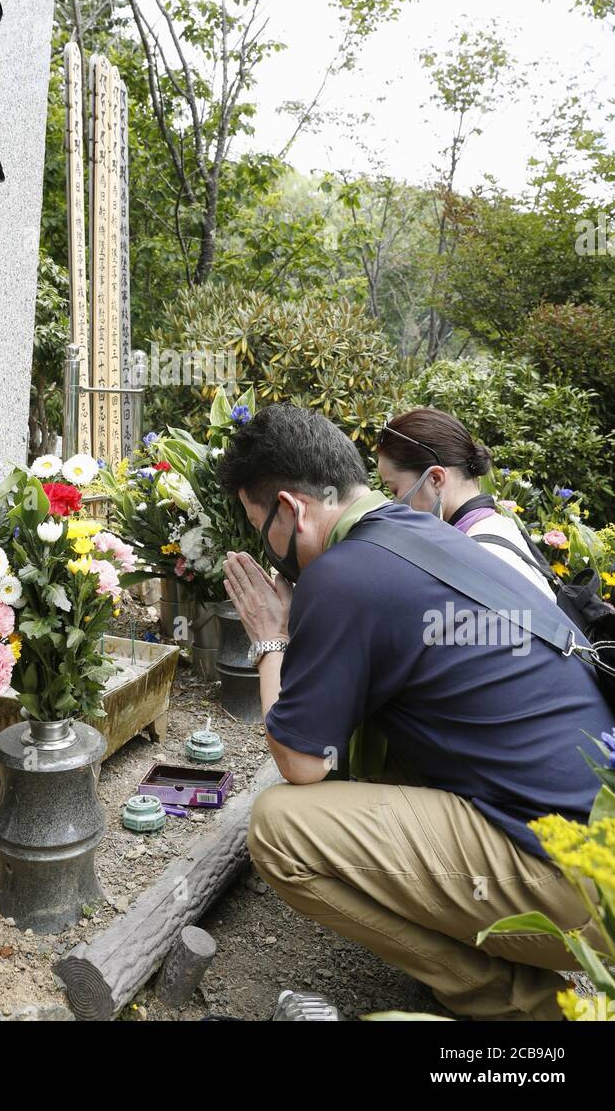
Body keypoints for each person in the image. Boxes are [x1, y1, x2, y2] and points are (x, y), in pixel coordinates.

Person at [218, 402, 610, 1021]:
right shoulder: (422, 535)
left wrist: (270, 638)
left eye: (257, 522)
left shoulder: (344, 575)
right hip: (595, 832)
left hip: (584, 880)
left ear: (291, 509)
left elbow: (301, 762)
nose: (263, 545)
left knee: (280, 828)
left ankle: (521, 1011)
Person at [376, 407, 555, 600]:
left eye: (394, 490)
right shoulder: (498, 526)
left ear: (435, 478)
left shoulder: (478, 558)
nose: (395, 503)